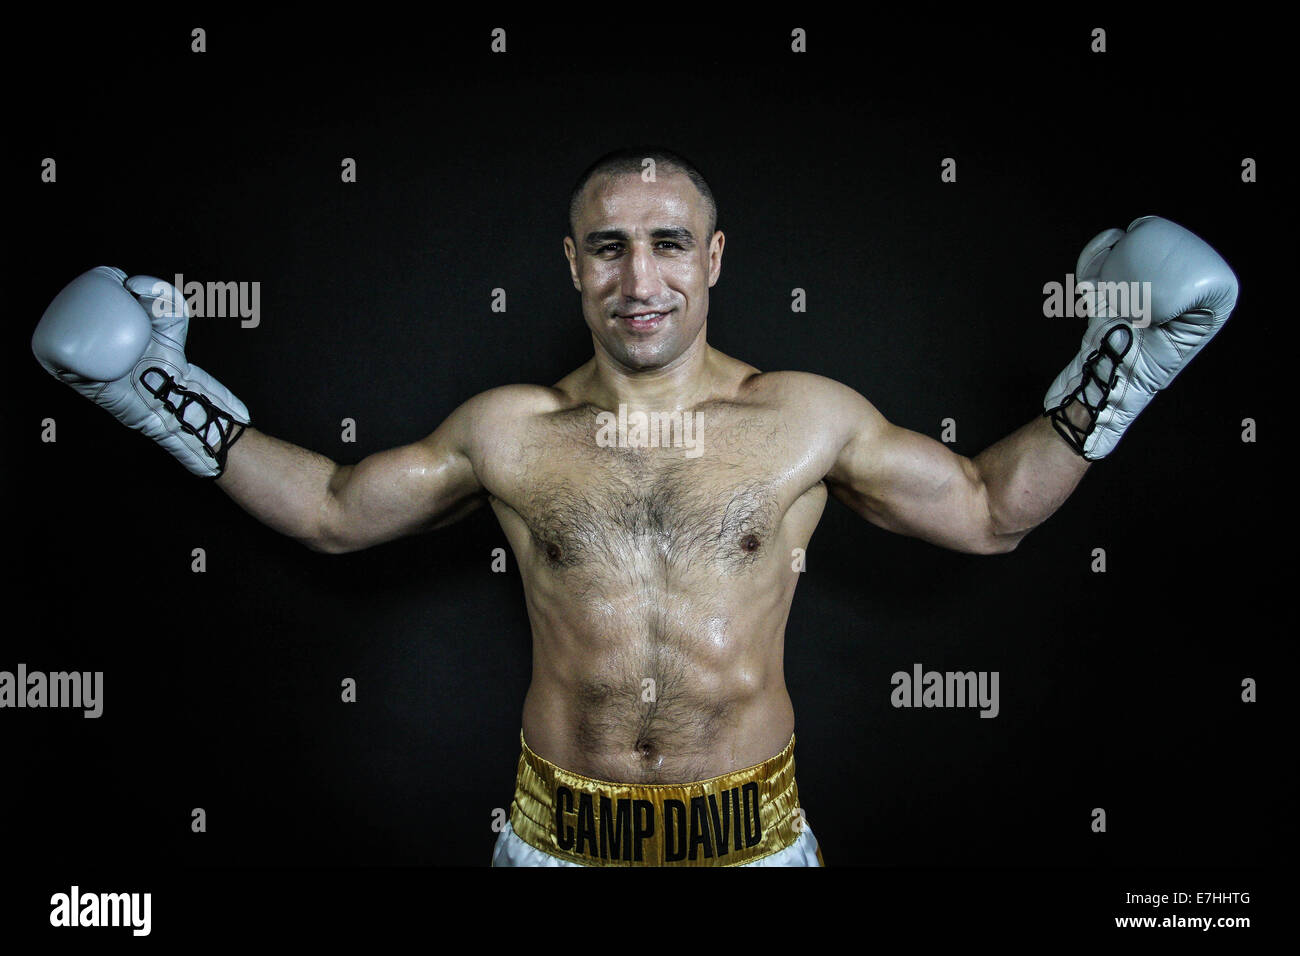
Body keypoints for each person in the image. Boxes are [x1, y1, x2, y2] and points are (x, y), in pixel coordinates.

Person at [31, 147, 1238, 866]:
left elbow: (984, 510)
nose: (639, 277)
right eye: (607, 246)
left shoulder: (804, 415)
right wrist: (159, 391)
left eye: (670, 242)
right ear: (570, 263)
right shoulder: (509, 427)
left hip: (752, 840)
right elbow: (337, 509)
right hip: (555, 836)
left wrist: (1118, 365)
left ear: (714, 258)